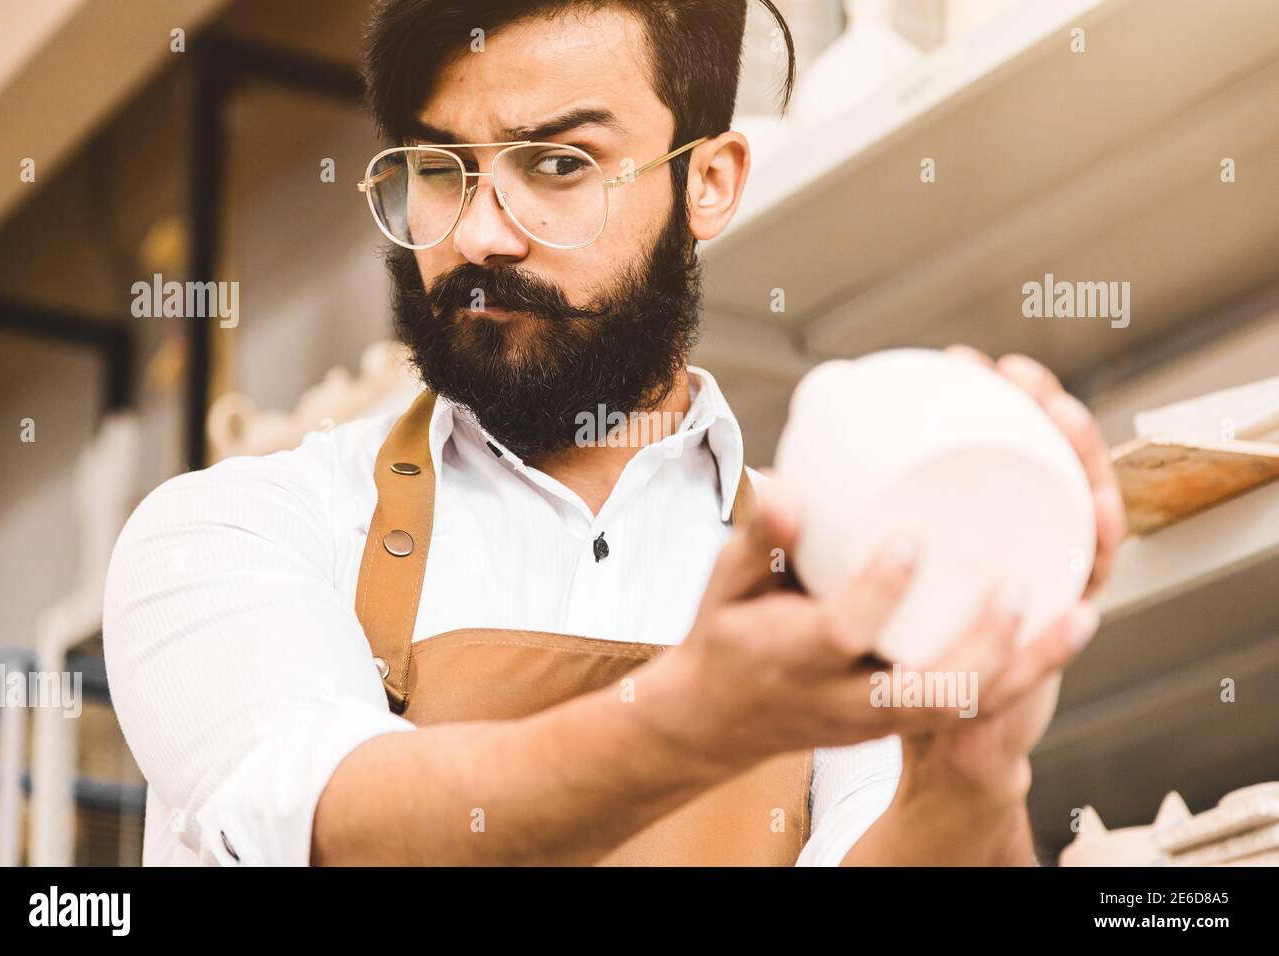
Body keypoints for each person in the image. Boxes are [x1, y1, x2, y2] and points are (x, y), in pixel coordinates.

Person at [103, 0, 1126, 866]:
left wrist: (971, 776)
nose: (480, 234)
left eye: (557, 163)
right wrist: (698, 714)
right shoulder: (231, 529)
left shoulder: (827, 562)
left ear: (711, 181)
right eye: (441, 167)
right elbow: (341, 820)